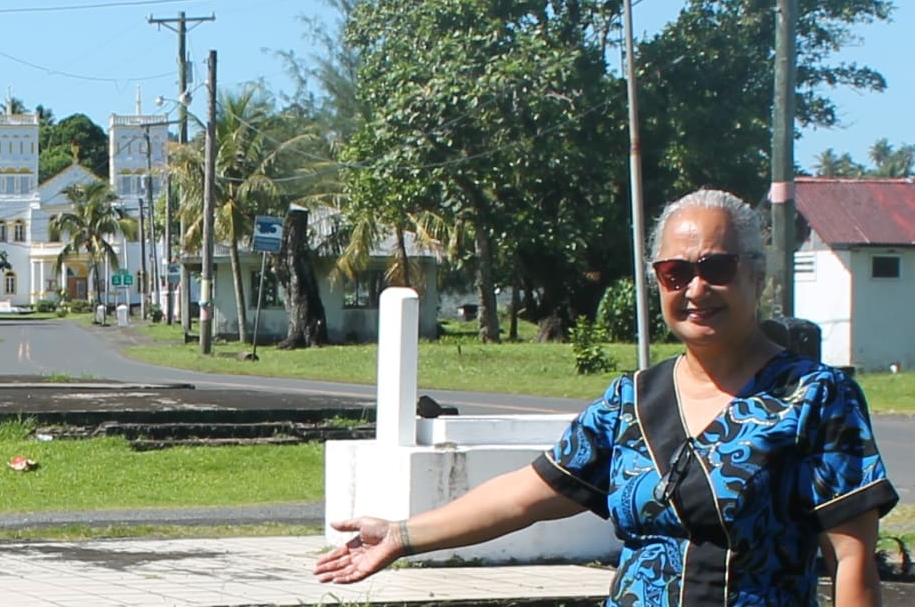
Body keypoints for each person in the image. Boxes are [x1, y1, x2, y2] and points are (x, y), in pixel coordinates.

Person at [315, 188, 898, 606]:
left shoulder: (815, 398)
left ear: (756, 275)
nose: (696, 288)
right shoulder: (633, 401)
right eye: (675, 272)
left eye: (716, 268)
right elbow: (527, 494)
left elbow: (851, 562)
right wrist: (403, 535)